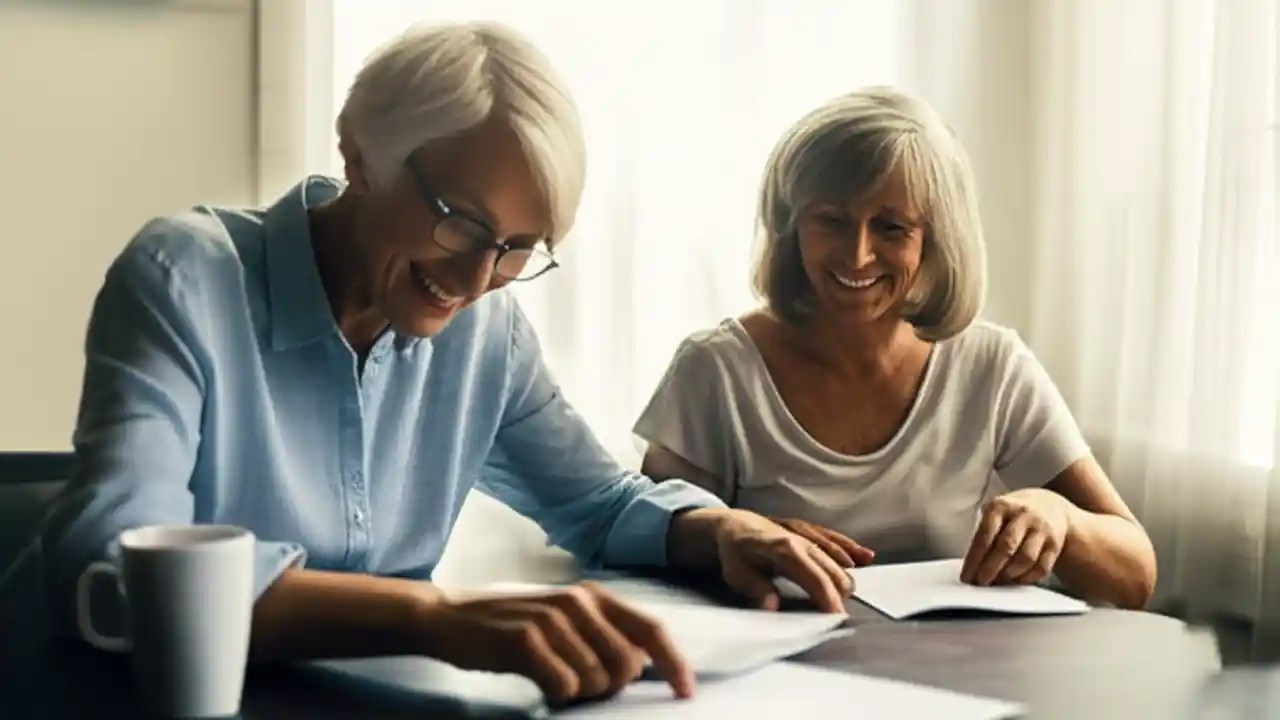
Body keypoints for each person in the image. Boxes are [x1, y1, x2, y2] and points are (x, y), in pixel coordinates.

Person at [25, 22, 854, 705]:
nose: (475, 279)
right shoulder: (187, 275)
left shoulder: (487, 329)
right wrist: (430, 614)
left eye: (518, 249)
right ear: (361, 154)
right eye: (459, 221)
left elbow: (597, 504)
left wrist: (719, 529)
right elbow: (110, 556)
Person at [635, 87, 1157, 610]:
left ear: (935, 238)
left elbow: (1134, 576)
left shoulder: (992, 367)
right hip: (780, 675)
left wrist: (1060, 517)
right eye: (831, 220)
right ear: (790, 225)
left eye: (890, 228)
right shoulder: (717, 370)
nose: (857, 255)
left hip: (963, 675)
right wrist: (736, 534)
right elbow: (638, 551)